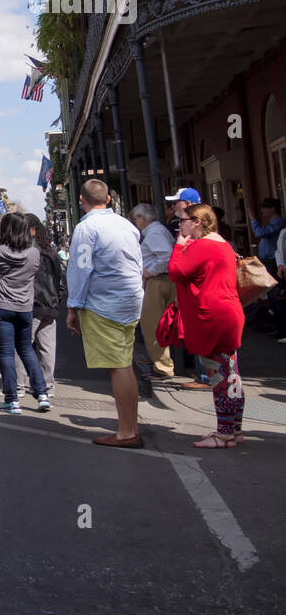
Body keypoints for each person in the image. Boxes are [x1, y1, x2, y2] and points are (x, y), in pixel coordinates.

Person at [66, 179, 145, 448]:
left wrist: (73, 306)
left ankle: (126, 431)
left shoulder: (87, 228)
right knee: (125, 363)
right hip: (130, 300)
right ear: (109, 199)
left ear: (81, 199)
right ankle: (131, 426)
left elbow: (81, 269)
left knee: (119, 367)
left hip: (104, 304)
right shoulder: (127, 225)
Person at [170, 204, 246, 447]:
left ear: (197, 222)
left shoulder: (203, 245)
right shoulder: (222, 243)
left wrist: (180, 244)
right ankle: (234, 430)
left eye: (182, 221)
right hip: (227, 312)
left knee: (220, 376)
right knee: (231, 373)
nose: (179, 226)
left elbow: (176, 271)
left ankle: (224, 434)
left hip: (212, 315)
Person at [0, 213, 48, 414]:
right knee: (27, 349)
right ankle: (42, 394)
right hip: (25, 307)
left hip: (0, 306)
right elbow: (33, 272)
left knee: (6, 352)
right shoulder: (34, 253)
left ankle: (12, 400)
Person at [162, 188, 210, 387]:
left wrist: (180, 245)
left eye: (177, 202)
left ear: (189, 205)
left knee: (201, 332)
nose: (174, 207)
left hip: (199, 292)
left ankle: (205, 375)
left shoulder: (196, 235)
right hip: (193, 291)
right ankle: (202, 372)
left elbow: (177, 269)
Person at [129, 203, 176, 382]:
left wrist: (149, 271)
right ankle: (160, 361)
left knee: (152, 326)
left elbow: (165, 256)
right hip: (161, 280)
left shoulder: (154, 233)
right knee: (157, 325)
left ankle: (163, 367)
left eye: (136, 219)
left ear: (143, 218)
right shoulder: (156, 231)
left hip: (157, 281)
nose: (135, 222)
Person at [17, 216, 60, 401]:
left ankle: (18, 385)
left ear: (30, 229)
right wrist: (56, 299)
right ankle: (48, 386)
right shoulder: (50, 251)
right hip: (49, 305)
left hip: (31, 305)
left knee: (21, 346)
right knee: (47, 348)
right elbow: (60, 279)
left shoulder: (26, 251)